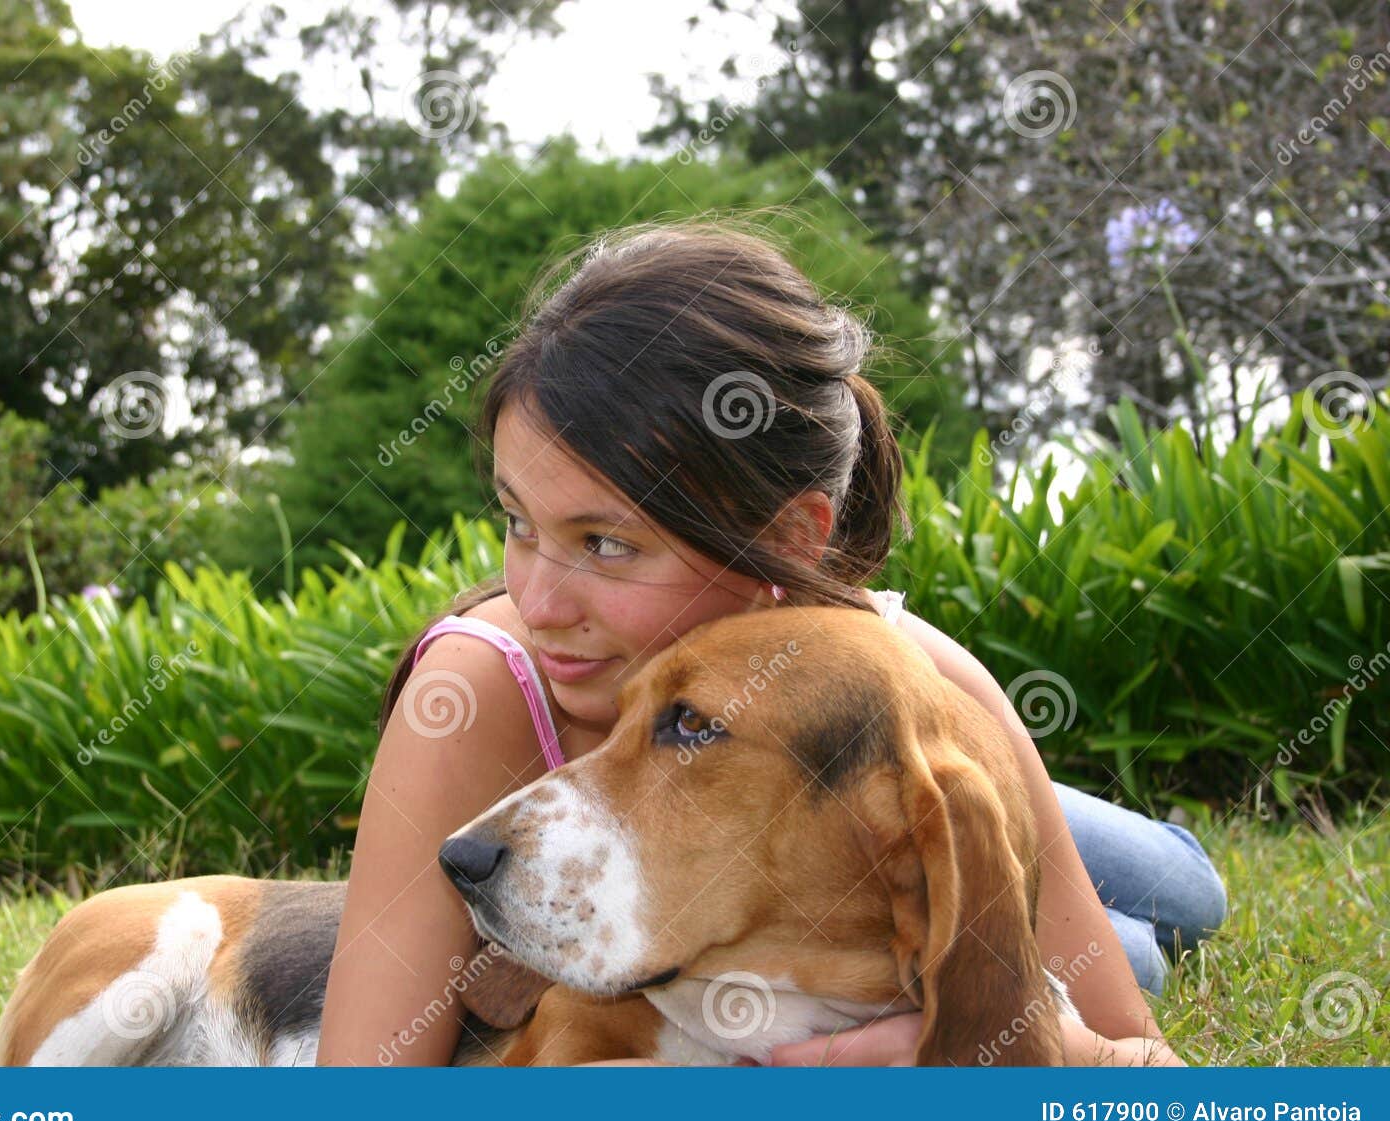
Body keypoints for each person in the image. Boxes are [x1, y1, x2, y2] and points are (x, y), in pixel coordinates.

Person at [314, 214, 1227, 1068]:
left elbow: (1135, 1062)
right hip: (837, 824)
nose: (541, 600)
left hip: (867, 784)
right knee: (1138, 952)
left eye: (608, 542)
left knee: (1187, 898)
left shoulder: (910, 679)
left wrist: (1034, 1040)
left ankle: (1163, 853)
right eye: (519, 522)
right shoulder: (476, 689)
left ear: (792, 538)